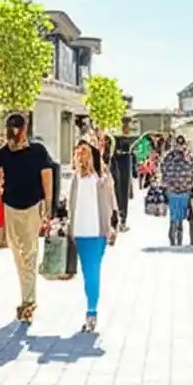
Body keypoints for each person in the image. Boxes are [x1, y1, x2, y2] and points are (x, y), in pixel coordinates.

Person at [0, 112, 54, 324]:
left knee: (29, 253)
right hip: (10, 207)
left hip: (32, 207)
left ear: (25, 128)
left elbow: (47, 179)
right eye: (12, 126)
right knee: (18, 254)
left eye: (18, 126)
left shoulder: (38, 151)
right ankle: (27, 297)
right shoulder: (3, 153)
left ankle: (28, 301)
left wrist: (48, 206)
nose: (15, 130)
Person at [66, 139, 117, 331]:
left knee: (90, 273)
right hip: (85, 232)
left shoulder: (98, 179)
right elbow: (70, 204)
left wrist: (113, 226)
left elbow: (111, 203)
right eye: (79, 153)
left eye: (84, 153)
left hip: (91, 232)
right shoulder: (81, 179)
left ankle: (91, 312)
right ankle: (91, 311)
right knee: (90, 273)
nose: (81, 157)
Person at [159, 135, 193, 246]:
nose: (180, 146)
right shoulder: (173, 156)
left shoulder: (187, 156)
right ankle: (175, 240)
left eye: (181, 144)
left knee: (185, 215)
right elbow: (163, 170)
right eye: (178, 144)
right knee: (175, 217)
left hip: (184, 190)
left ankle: (189, 239)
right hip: (176, 191)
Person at [109, 119, 139, 231]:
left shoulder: (130, 138)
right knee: (116, 189)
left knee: (122, 189)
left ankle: (121, 219)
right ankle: (117, 219)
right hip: (117, 159)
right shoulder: (116, 135)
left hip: (124, 158)